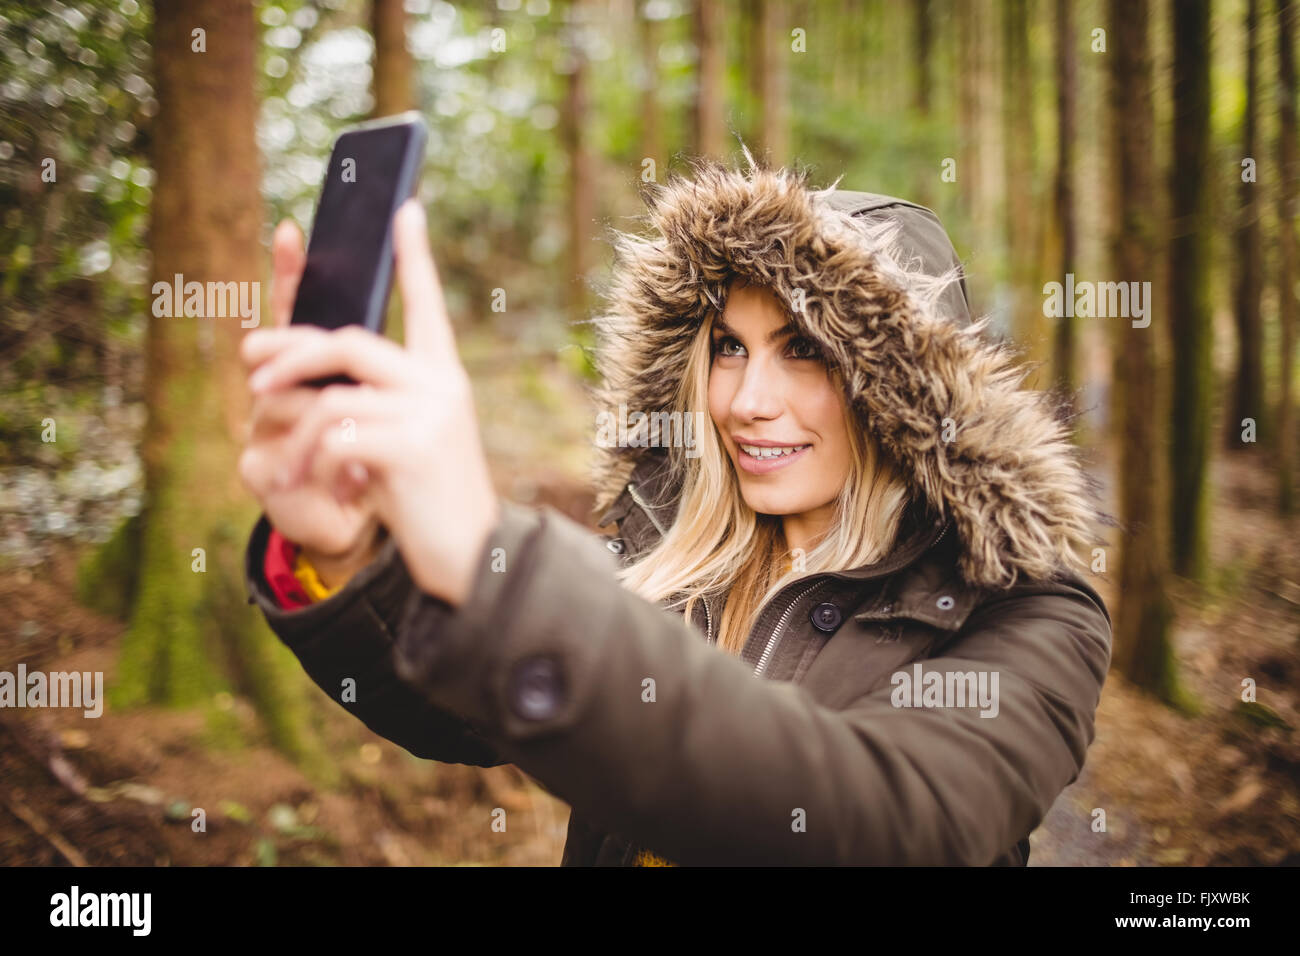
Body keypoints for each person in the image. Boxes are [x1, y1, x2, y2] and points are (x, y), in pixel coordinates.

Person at [238, 151, 1112, 866]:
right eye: (729, 348)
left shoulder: (1030, 611)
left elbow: (882, 819)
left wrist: (487, 565)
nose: (744, 400)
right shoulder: (667, 551)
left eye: (804, 349)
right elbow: (460, 706)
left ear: (903, 391)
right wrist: (349, 556)